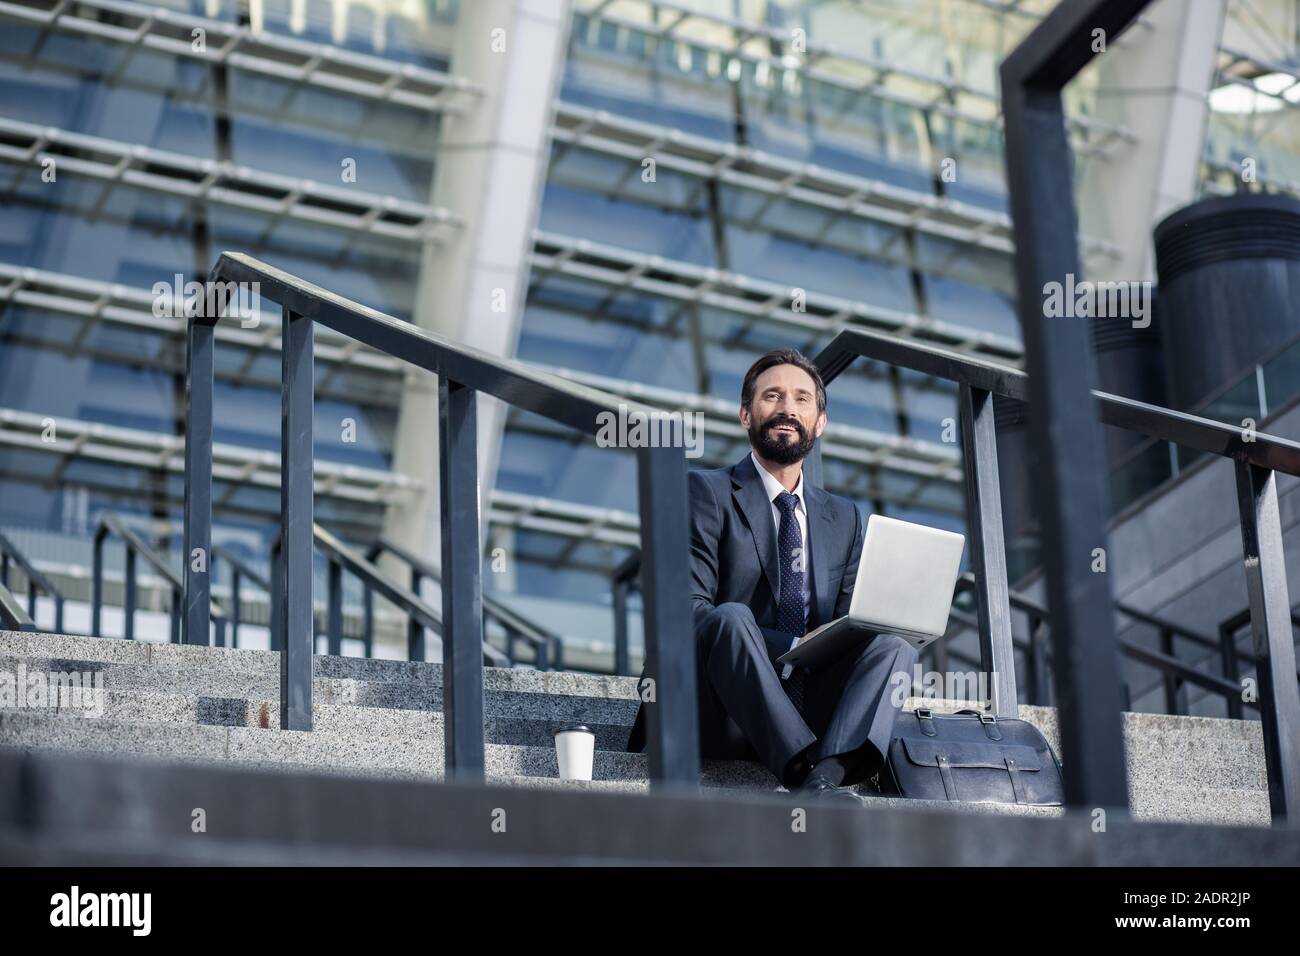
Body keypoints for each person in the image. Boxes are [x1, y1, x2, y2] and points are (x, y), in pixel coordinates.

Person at [626, 348, 918, 802]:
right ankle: (803, 773)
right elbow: (686, 610)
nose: (787, 409)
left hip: (808, 709)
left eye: (802, 399)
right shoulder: (703, 491)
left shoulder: (844, 517)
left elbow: (847, 631)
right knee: (730, 617)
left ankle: (827, 777)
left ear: (819, 423)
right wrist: (792, 648)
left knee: (890, 644)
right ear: (746, 414)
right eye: (773, 396)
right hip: (716, 706)